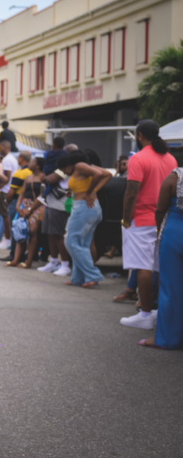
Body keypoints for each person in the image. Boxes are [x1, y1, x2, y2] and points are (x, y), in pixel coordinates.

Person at [120, 120, 177, 330]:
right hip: (164, 219)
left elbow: (131, 192)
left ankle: (144, 314)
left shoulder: (138, 158)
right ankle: (161, 312)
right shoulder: (170, 158)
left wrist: (126, 219)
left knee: (143, 266)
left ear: (140, 135)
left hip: (142, 219)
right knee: (161, 267)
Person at [140, 166, 183, 349]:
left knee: (171, 288)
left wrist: (160, 231)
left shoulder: (176, 176)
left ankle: (167, 339)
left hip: (175, 229)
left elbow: (160, 209)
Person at [56, 151, 112, 287]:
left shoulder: (80, 166)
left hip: (84, 208)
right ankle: (78, 278)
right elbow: (107, 174)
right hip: (89, 208)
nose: (64, 173)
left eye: (63, 169)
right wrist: (91, 191)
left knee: (71, 242)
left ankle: (92, 275)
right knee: (81, 244)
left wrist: (90, 192)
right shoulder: (83, 167)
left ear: (68, 166)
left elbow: (100, 175)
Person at [37, 136, 72, 277]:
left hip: (60, 203)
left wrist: (45, 178)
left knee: (58, 235)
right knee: (51, 234)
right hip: (51, 202)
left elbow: (50, 178)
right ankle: (53, 262)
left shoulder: (66, 166)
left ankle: (65, 264)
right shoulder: (60, 163)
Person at [7, 157, 46, 269]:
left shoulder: (43, 178)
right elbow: (22, 194)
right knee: (21, 231)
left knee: (32, 231)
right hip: (25, 206)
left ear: (38, 166)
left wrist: (30, 209)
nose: (30, 163)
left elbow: (42, 196)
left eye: (33, 162)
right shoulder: (28, 178)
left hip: (37, 206)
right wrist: (18, 206)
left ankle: (28, 261)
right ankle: (15, 260)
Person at [0, 140, 18, 250]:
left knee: (5, 215)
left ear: (5, 147)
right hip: (9, 189)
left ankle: (7, 240)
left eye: (0, 147)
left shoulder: (6, 160)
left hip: (6, 190)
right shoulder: (12, 158)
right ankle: (7, 239)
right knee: (5, 215)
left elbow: (6, 178)